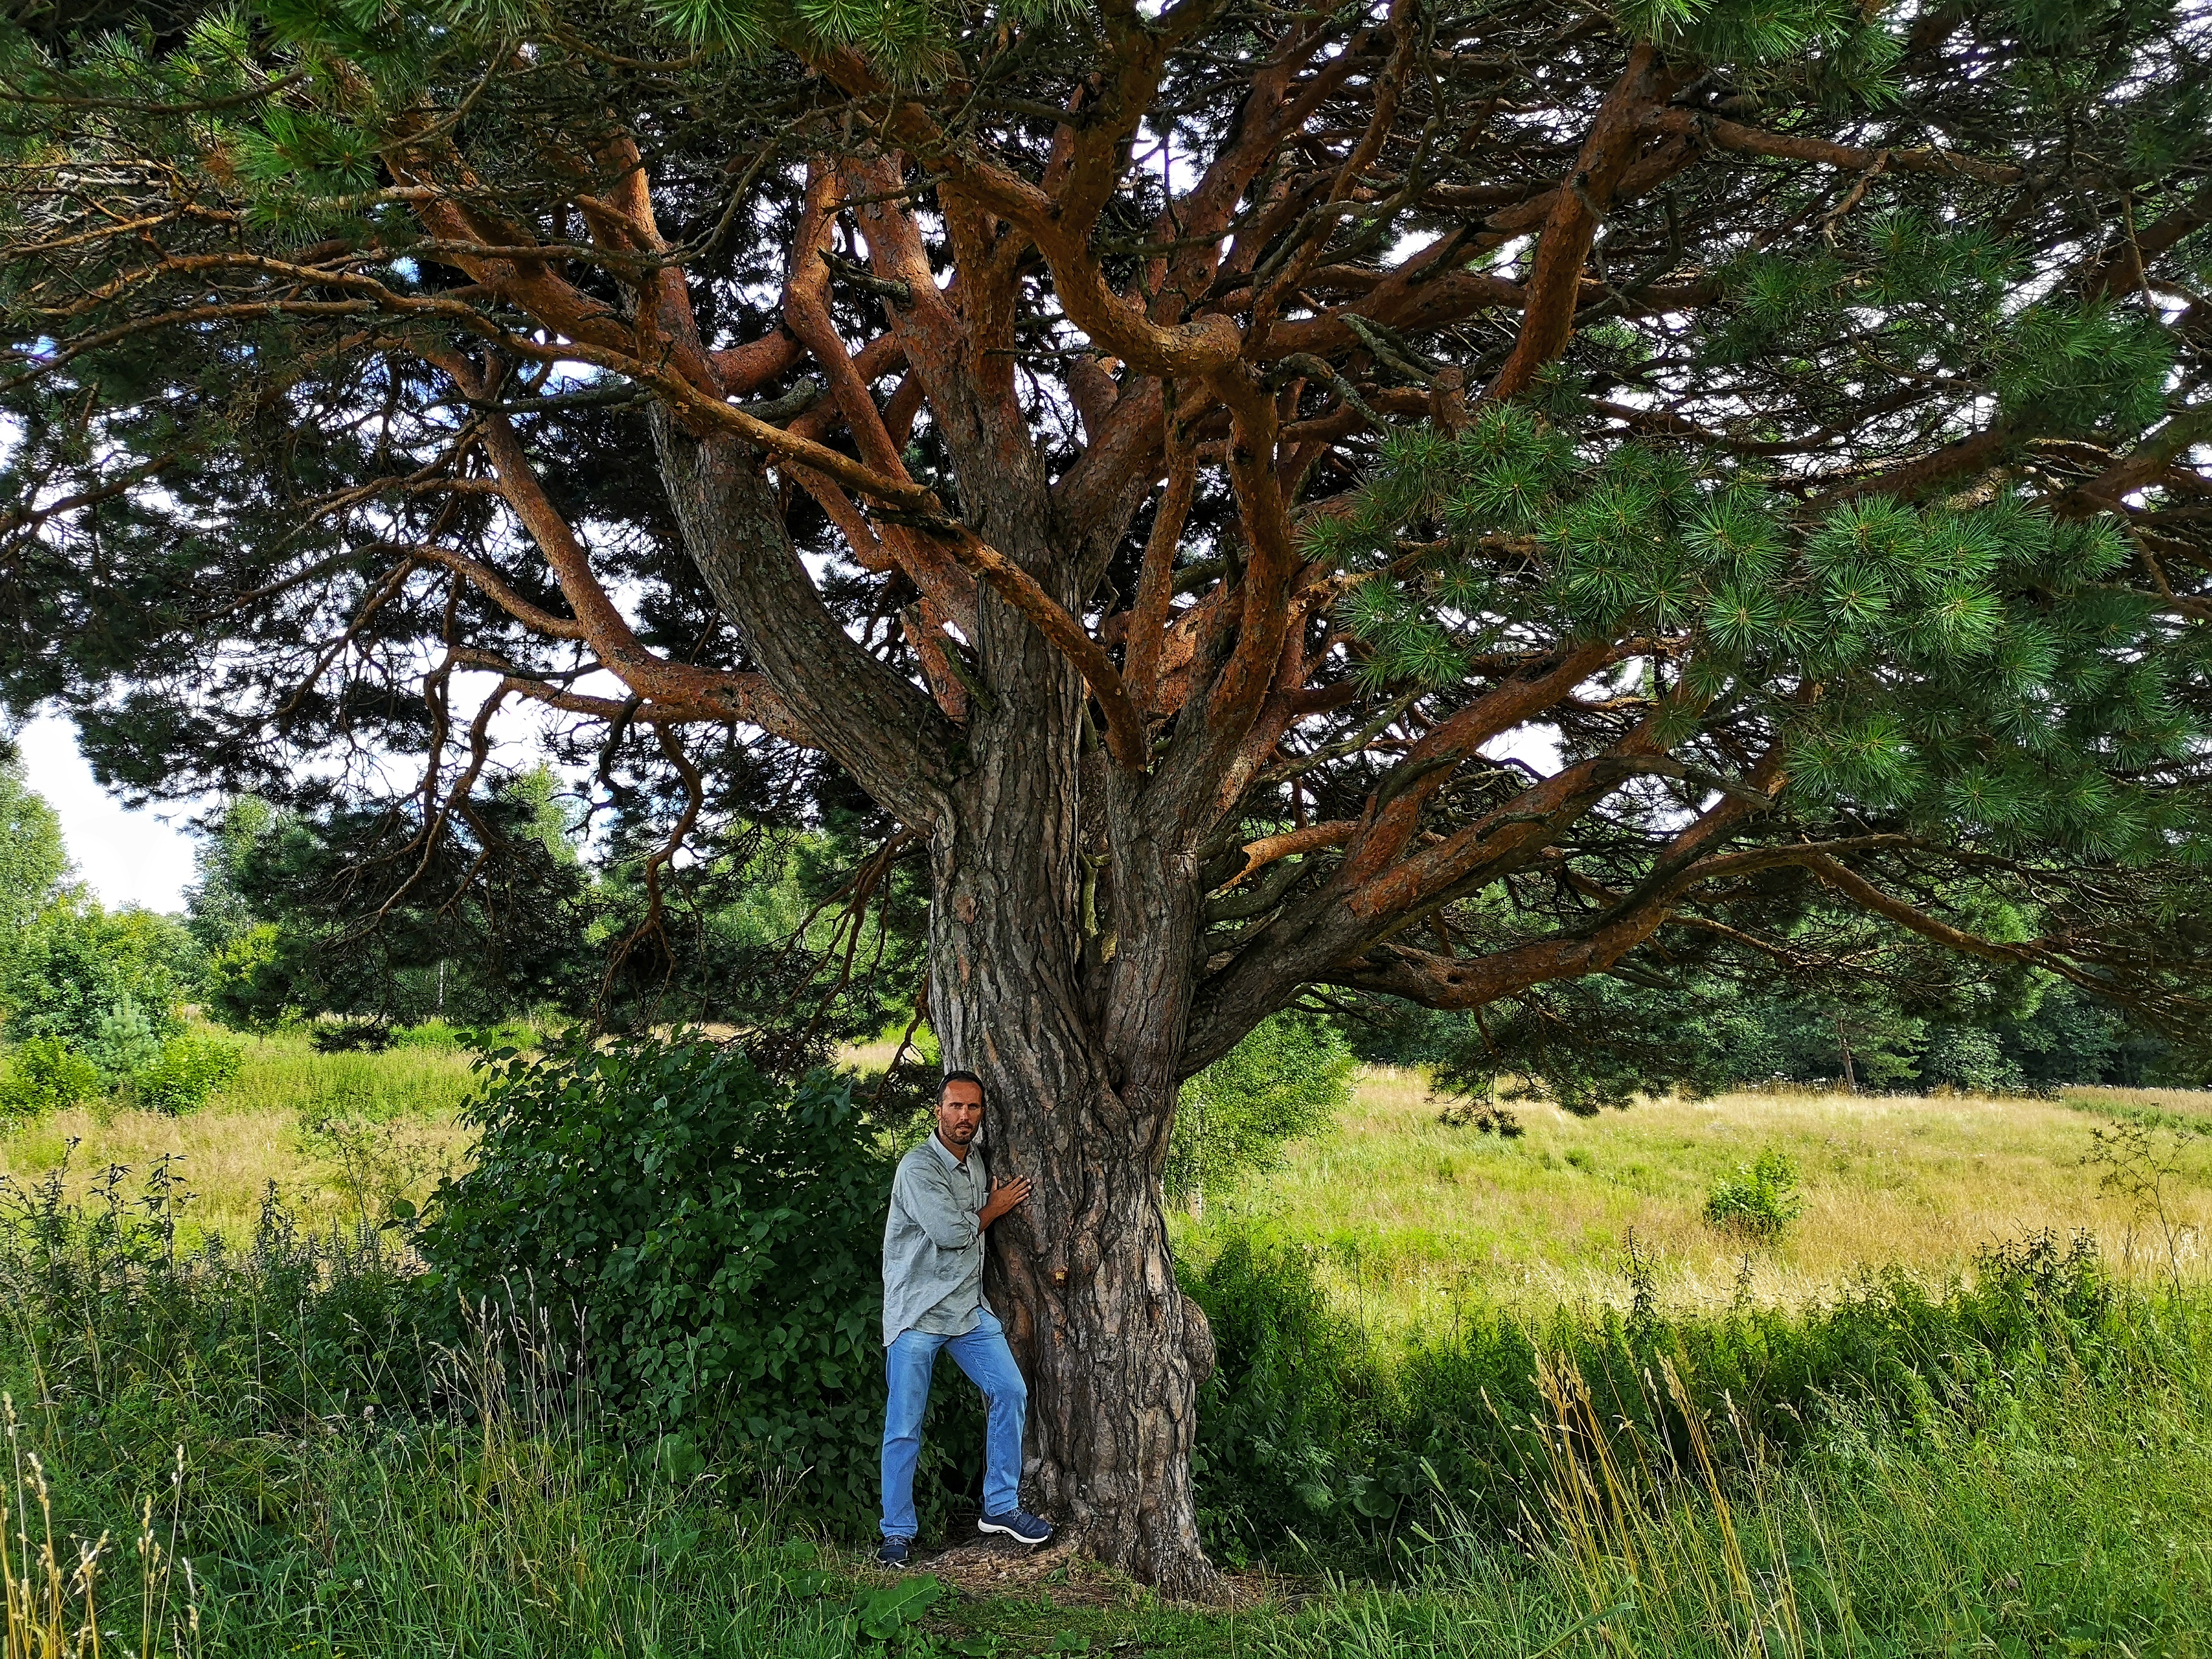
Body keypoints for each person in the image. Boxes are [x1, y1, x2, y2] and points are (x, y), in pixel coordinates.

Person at [876, 1069, 1053, 1566]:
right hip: (917, 1313)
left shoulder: (976, 1161)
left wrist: (990, 1200)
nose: (964, 1117)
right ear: (937, 1111)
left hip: (966, 1309)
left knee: (1011, 1391)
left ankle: (999, 1506)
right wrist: (995, 1207)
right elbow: (953, 1233)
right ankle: (896, 1532)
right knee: (905, 1425)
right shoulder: (917, 1168)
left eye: (973, 1108)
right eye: (955, 1106)